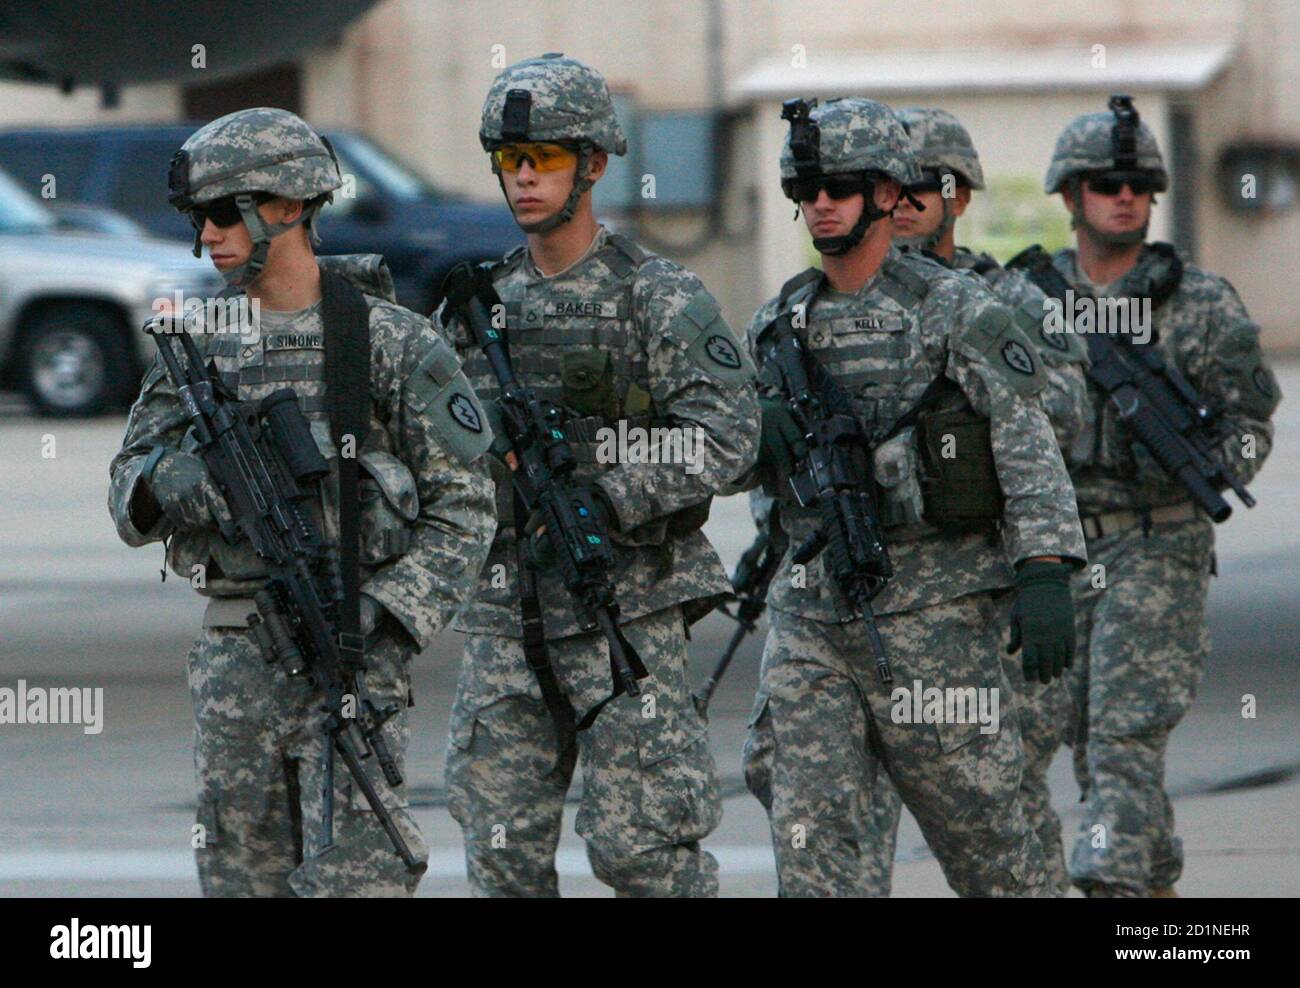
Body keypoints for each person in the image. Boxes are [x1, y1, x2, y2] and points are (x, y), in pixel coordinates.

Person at [108, 107, 497, 897]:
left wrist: (383, 613)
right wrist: (186, 483)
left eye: (223, 212)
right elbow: (127, 491)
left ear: (289, 207)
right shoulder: (199, 345)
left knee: (363, 880)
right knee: (239, 881)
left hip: (352, 655)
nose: (207, 236)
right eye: (197, 218)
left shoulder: (388, 342)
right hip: (236, 662)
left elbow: (466, 507)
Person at [740, 96, 1087, 897]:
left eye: (841, 186)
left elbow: (1025, 438)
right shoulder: (778, 325)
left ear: (889, 195)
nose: (820, 202)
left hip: (937, 617)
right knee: (814, 848)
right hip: (814, 623)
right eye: (807, 187)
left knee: (997, 856)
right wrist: (747, 436)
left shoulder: (955, 309)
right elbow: (737, 477)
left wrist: (1043, 567)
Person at [437, 54, 759, 897]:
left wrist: (610, 491)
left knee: (642, 853)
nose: (524, 179)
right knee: (500, 856)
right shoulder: (478, 305)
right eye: (511, 161)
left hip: (628, 607)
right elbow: (428, 443)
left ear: (594, 165)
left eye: (543, 159)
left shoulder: (654, 294)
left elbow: (727, 434)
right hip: (506, 615)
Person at [1015, 95, 1280, 897]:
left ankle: (1112, 888)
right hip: (1058, 549)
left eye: (1137, 183)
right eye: (1104, 182)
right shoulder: (1023, 305)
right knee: (1080, 746)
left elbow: (1251, 418)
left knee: (1125, 738)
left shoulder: (1198, 302)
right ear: (1069, 196)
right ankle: (1157, 901)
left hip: (1160, 545)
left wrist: (1206, 464)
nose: (1123, 196)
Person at [852, 106, 1091, 896]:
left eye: (934, 183)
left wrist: (966, 390)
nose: (916, 197)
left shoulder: (1011, 298)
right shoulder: (841, 306)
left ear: (961, 194)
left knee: (1005, 799)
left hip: (988, 583)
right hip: (873, 599)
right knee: (847, 809)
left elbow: (1066, 416)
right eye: (900, 184)